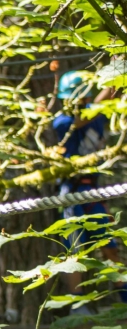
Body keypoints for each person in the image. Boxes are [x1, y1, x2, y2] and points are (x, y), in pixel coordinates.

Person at [51, 71, 120, 298]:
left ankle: (125, 297)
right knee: (73, 250)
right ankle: (76, 303)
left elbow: (108, 97)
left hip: (95, 191)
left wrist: (118, 69)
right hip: (71, 191)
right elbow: (81, 120)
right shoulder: (63, 122)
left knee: (110, 248)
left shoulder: (99, 117)